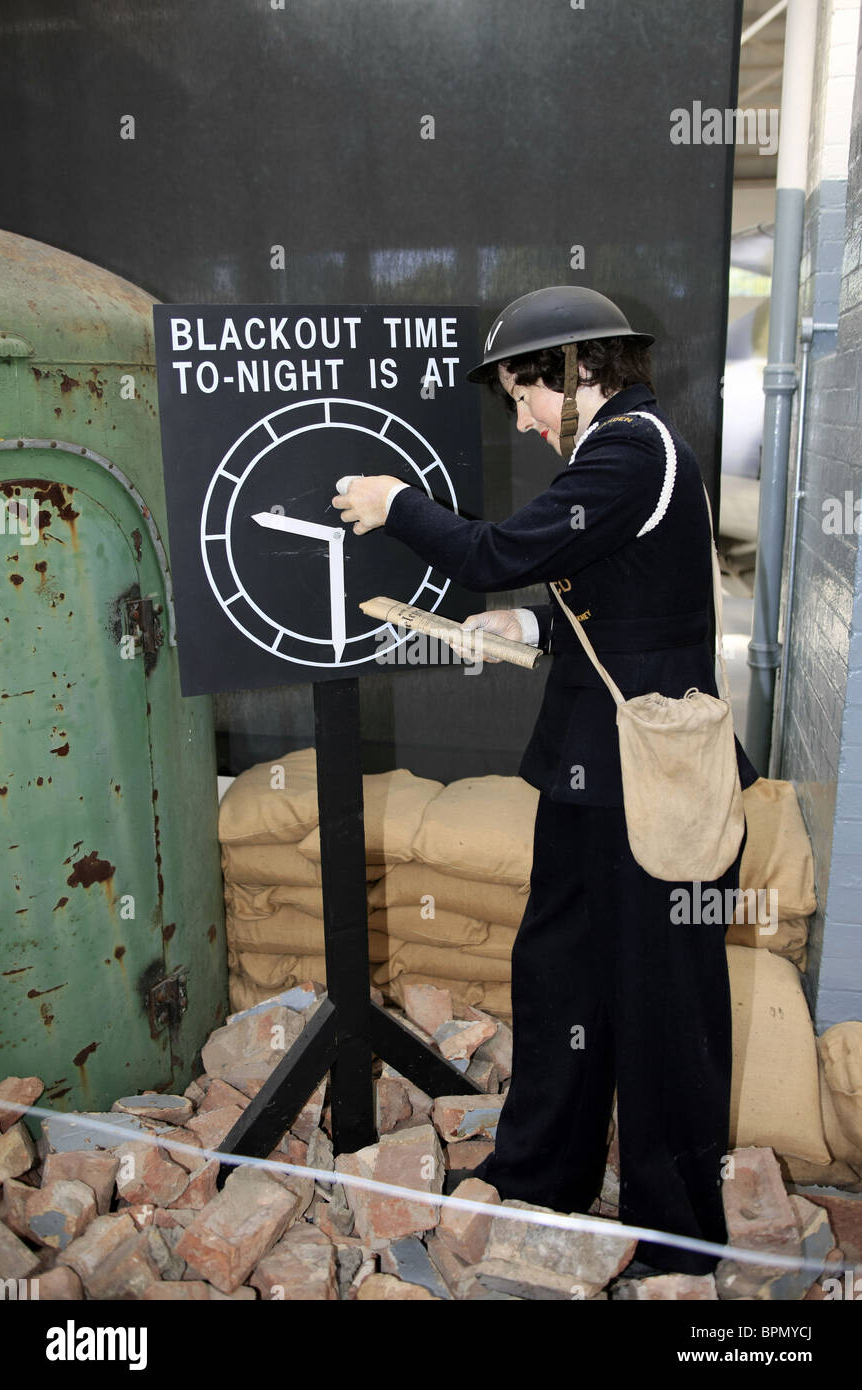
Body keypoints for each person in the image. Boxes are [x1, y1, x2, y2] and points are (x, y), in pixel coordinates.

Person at [332, 285, 760, 1277]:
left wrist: (396, 504)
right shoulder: (623, 453)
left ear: (576, 372)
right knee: (559, 970)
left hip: (651, 783)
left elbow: (497, 553)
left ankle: (675, 1234)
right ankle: (541, 1176)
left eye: (524, 394)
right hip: (591, 775)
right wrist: (523, 627)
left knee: (664, 1004)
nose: (521, 419)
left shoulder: (629, 447)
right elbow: (622, 593)